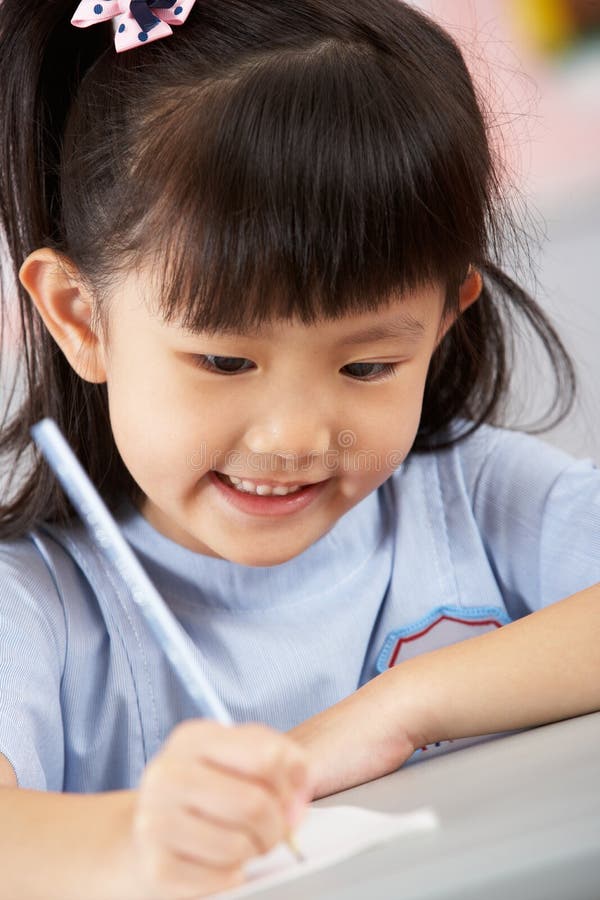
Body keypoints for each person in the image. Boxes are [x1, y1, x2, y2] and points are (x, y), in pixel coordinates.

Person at [0, 0, 598, 897]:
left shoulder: (474, 503)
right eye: (225, 359)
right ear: (81, 318)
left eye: (367, 365)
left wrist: (401, 707)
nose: (295, 436)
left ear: (443, 321)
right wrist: (136, 838)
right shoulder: (39, 610)